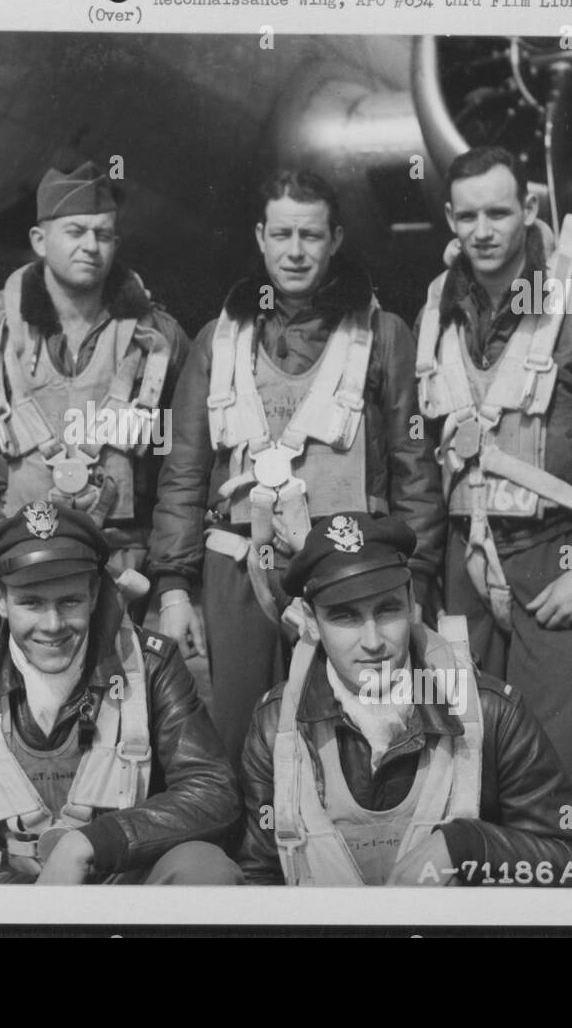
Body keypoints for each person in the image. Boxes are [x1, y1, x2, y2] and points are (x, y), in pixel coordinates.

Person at [148, 168, 444, 767]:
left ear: (335, 238)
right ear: (260, 237)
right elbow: (183, 469)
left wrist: (414, 580)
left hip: (349, 566)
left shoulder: (382, 337)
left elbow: (416, 467)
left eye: (310, 236)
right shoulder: (217, 341)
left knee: (355, 734)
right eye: (282, 234)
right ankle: (252, 862)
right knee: (239, 735)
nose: (295, 251)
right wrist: (175, 588)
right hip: (238, 567)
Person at [413, 145, 572, 796]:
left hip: (558, 562)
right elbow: (421, 453)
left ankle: (550, 881)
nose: (483, 230)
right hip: (463, 565)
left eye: (499, 211)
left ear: (529, 208)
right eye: (468, 215)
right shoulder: (436, 309)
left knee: (545, 776)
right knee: (458, 767)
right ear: (449, 217)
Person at [237, 511, 572, 886]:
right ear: (310, 620)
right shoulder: (275, 724)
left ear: (411, 601)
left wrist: (469, 845)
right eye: (345, 617)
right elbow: (260, 873)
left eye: (387, 609)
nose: (373, 641)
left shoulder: (493, 712)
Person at [0, 501, 242, 884]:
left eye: (69, 601)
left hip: (125, 882)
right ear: (0, 599)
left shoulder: (152, 664)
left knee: (204, 867)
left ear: (94, 594)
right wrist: (35, 902)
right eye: (31, 603)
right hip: (18, 897)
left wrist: (92, 843)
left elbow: (212, 790)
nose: (53, 625)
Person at [0, 162, 189, 600]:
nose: (90, 246)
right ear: (39, 240)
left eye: (103, 235)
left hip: (123, 553)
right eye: (75, 232)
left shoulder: (159, 341)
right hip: (21, 549)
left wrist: (171, 583)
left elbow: (176, 460)